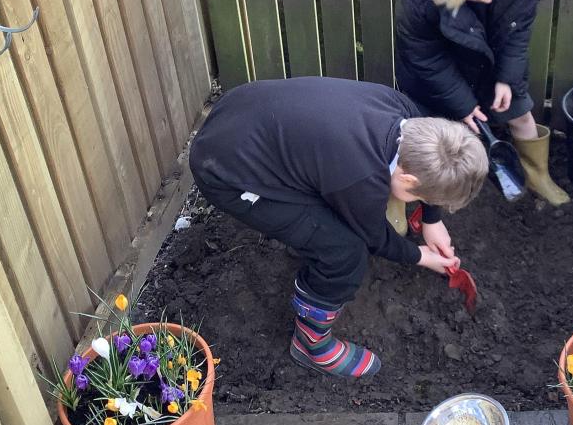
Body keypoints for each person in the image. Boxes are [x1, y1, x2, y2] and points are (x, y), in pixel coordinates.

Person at [189, 77, 488, 379]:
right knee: (343, 252)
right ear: (410, 181)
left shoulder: (407, 113)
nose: (420, 202)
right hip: (225, 171)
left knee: (332, 207)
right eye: (420, 198)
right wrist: (419, 256)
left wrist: (432, 219)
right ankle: (311, 344)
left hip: (239, 109)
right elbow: (374, 238)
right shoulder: (359, 178)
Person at [394, 0, 570, 217]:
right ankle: (401, 199)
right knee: (425, 141)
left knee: (521, 115)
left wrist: (507, 77)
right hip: (438, 79)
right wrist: (462, 103)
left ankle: (535, 174)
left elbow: (518, 31)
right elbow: (425, 58)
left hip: (490, 65)